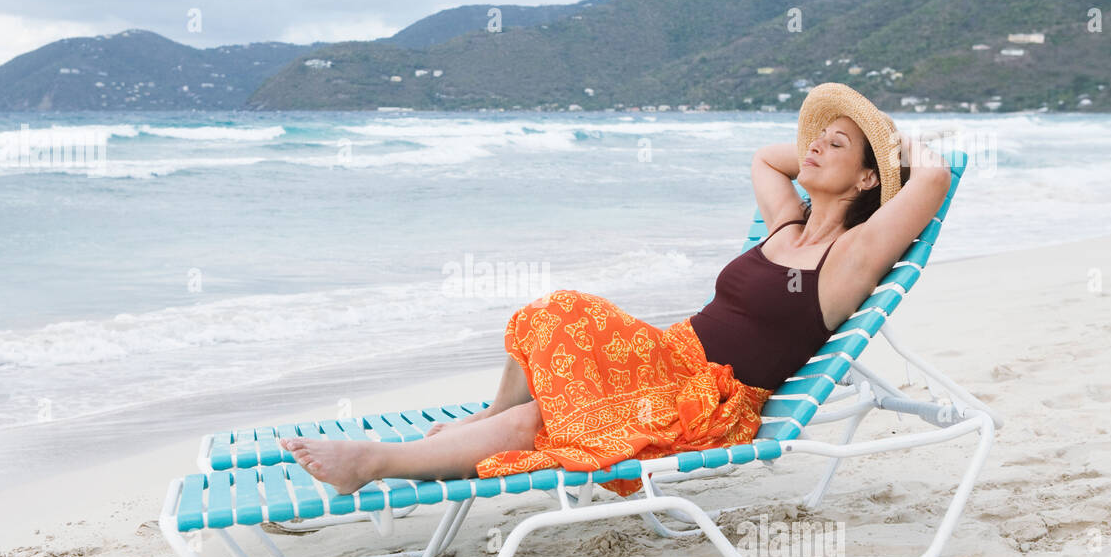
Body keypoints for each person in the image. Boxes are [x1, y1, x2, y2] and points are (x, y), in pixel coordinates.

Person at [280, 84, 952, 497]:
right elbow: (766, 158)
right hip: (664, 351)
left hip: (704, 396)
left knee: (538, 424)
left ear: (868, 182)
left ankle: (369, 463)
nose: (812, 149)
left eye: (834, 146)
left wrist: (889, 144)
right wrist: (829, 147)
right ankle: (485, 420)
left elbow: (934, 178)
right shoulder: (789, 223)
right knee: (553, 312)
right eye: (816, 138)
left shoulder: (847, 259)